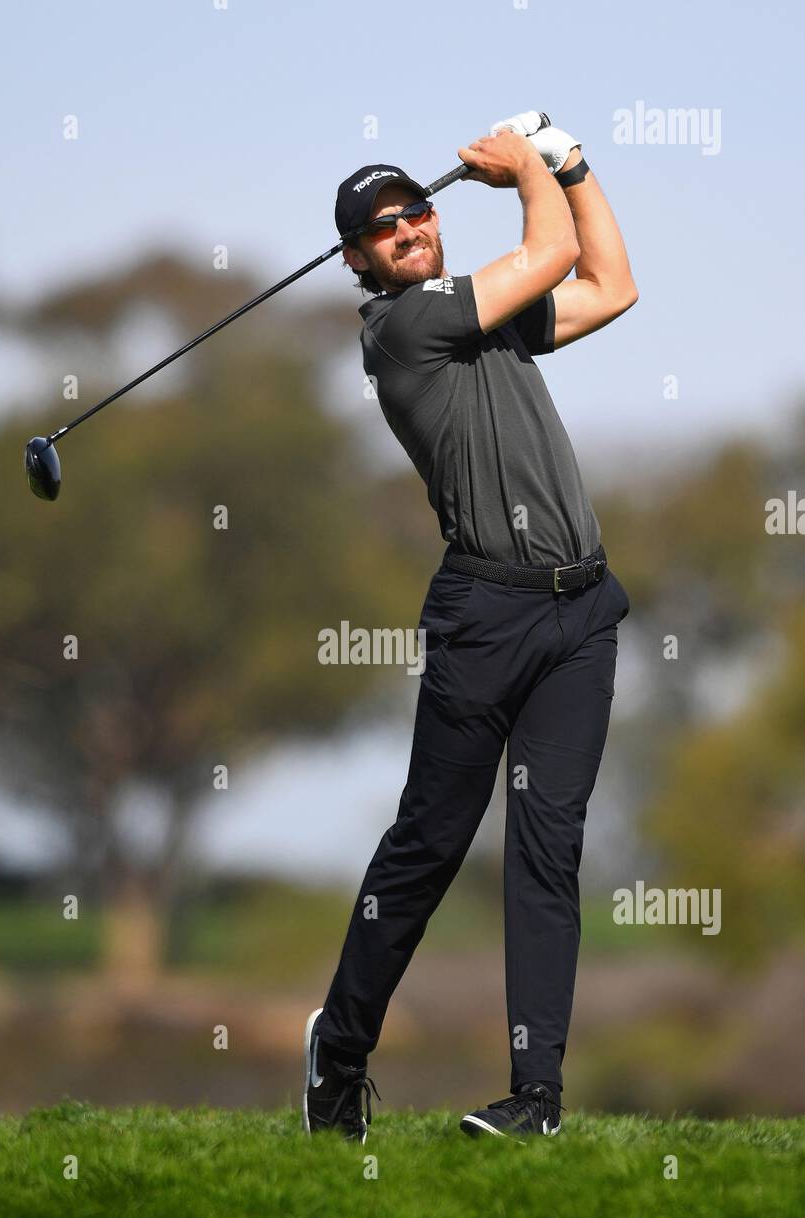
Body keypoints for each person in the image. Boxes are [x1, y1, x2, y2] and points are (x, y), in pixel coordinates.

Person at [303, 112, 638, 1143]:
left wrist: (573, 168)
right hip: (483, 617)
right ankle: (340, 1048)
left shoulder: (483, 317)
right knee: (430, 843)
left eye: (414, 212)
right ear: (359, 261)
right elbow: (544, 253)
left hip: (579, 612)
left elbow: (607, 284)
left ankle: (534, 1100)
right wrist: (531, 167)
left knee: (548, 850)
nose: (406, 230)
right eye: (382, 230)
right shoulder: (401, 328)